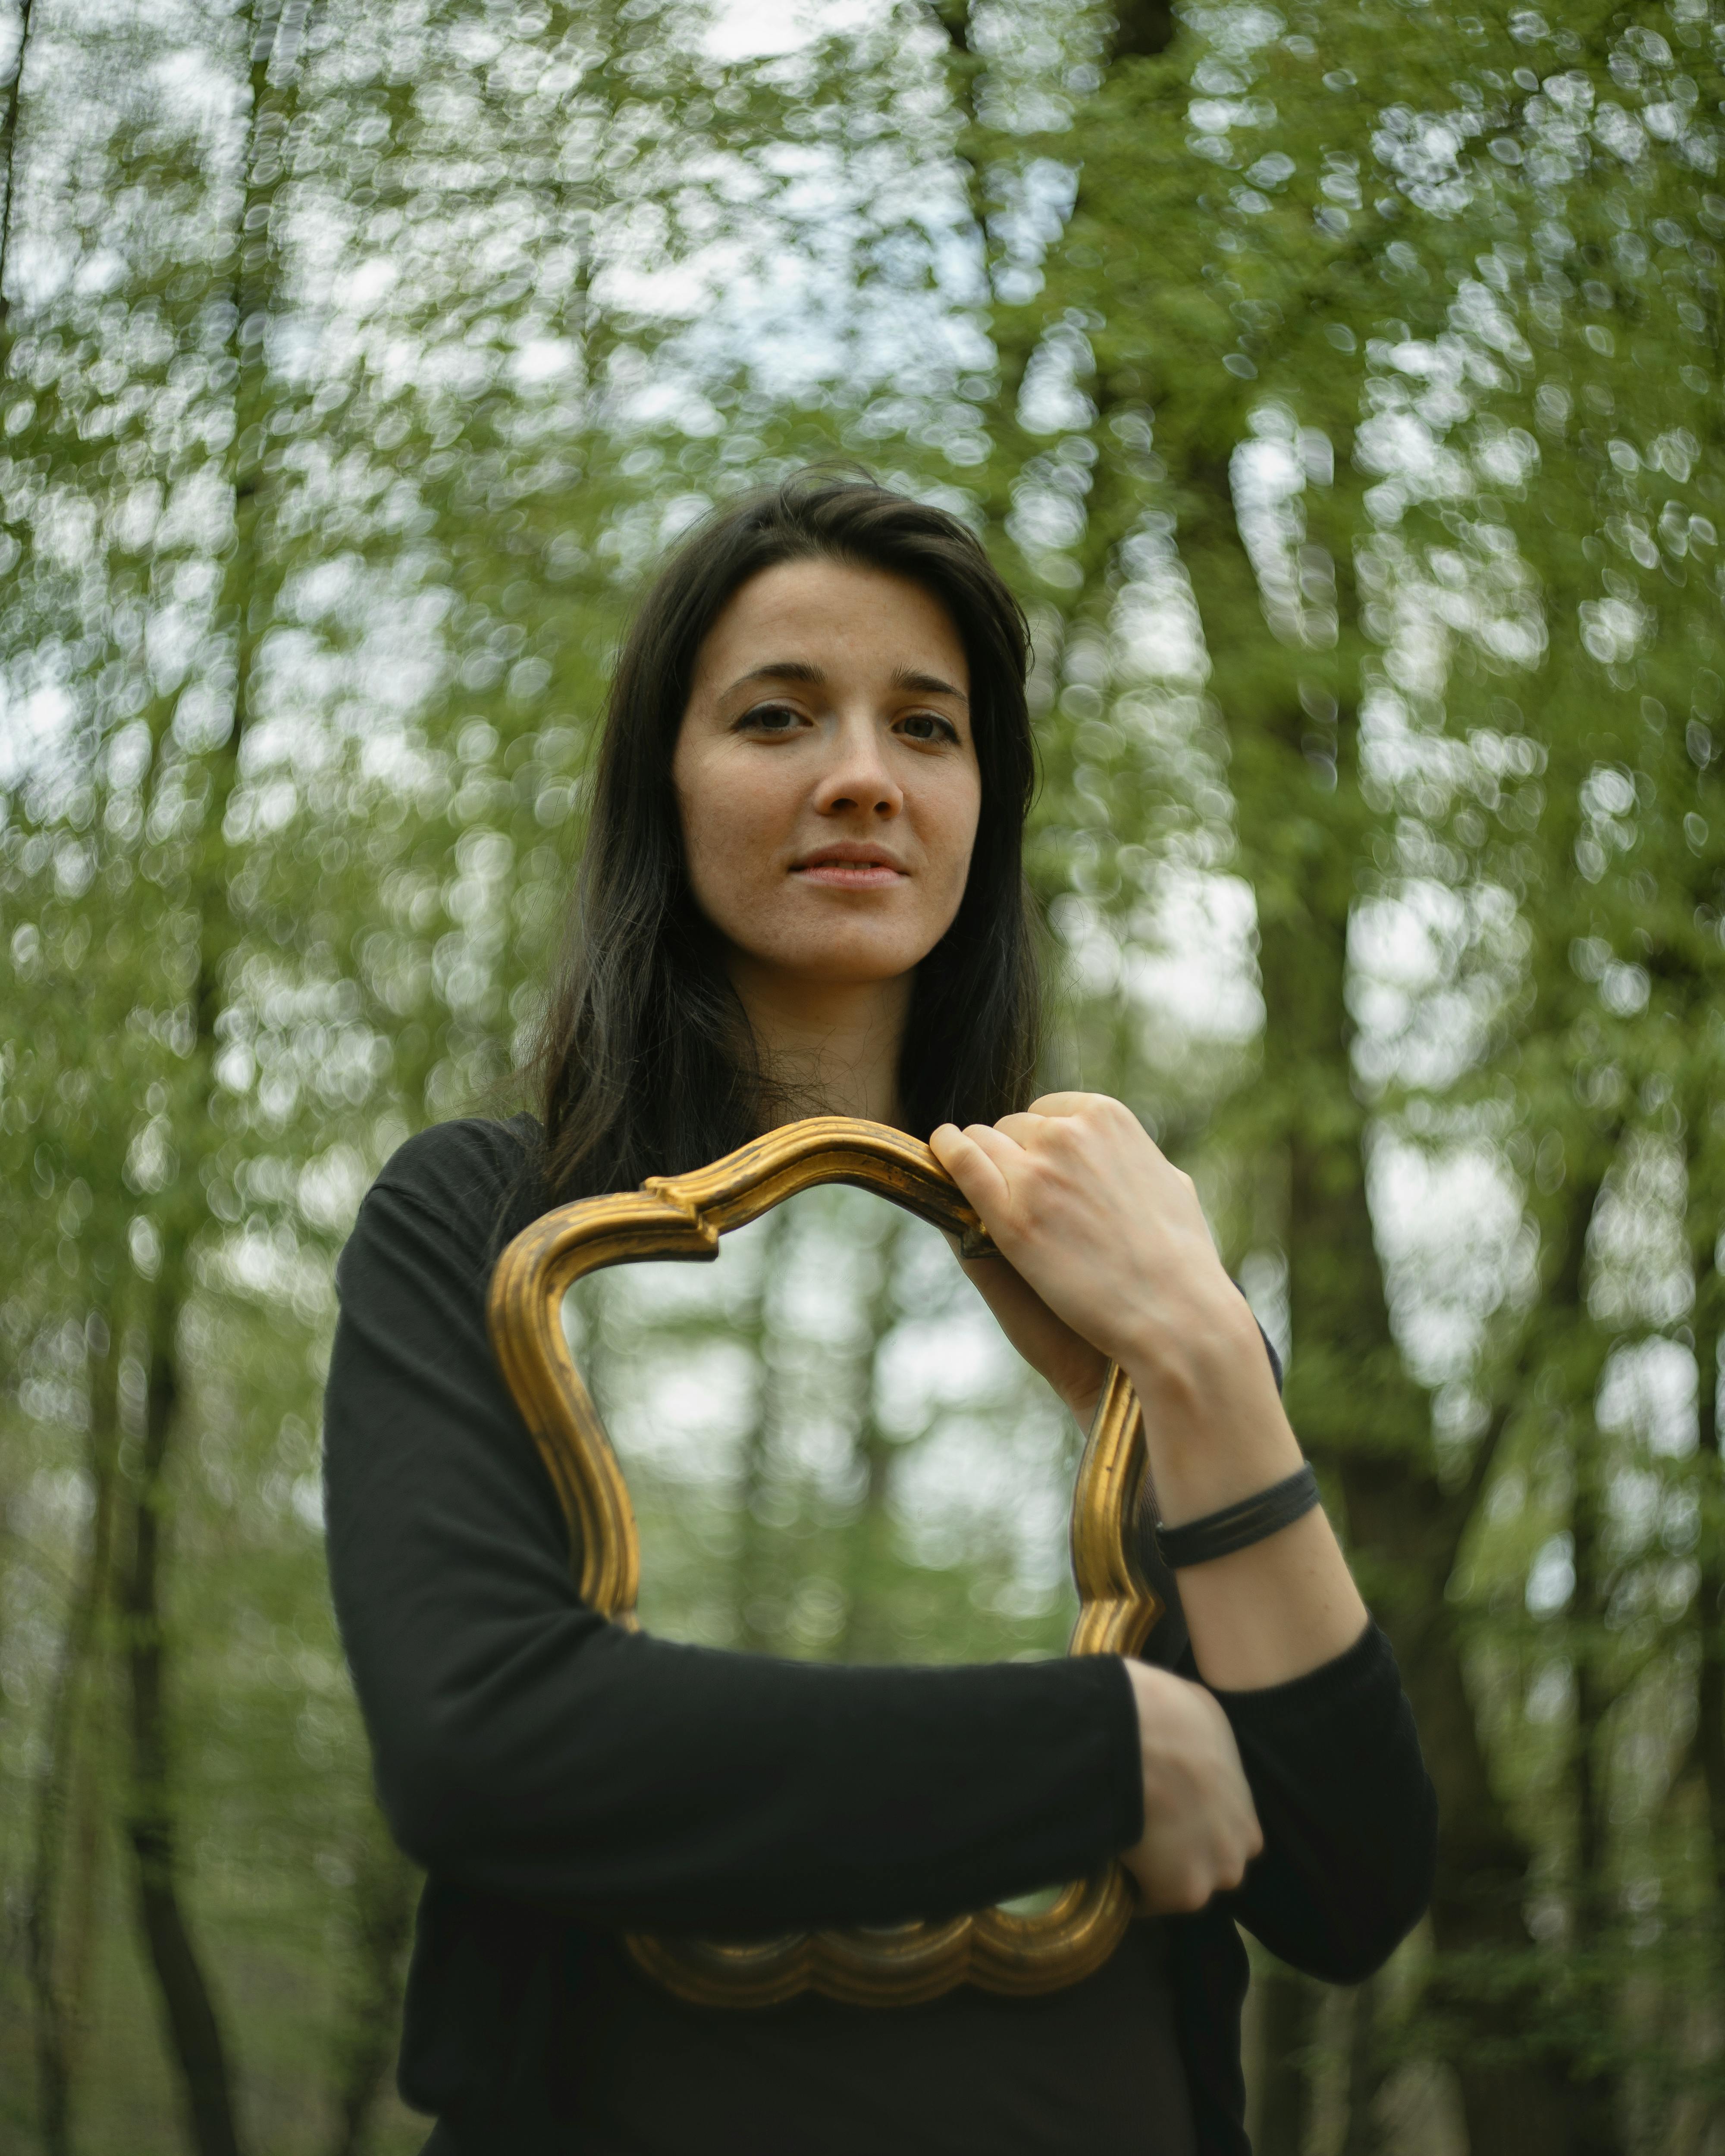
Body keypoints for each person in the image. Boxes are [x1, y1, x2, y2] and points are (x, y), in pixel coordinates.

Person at [323, 472, 1436, 2156]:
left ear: (983, 801)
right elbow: (484, 1741)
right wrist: (1103, 1745)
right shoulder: (484, 1218)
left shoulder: (1116, 1265)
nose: (861, 775)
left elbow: (1343, 1889)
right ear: (662, 788)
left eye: (928, 726)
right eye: (777, 716)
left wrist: (1206, 1347)